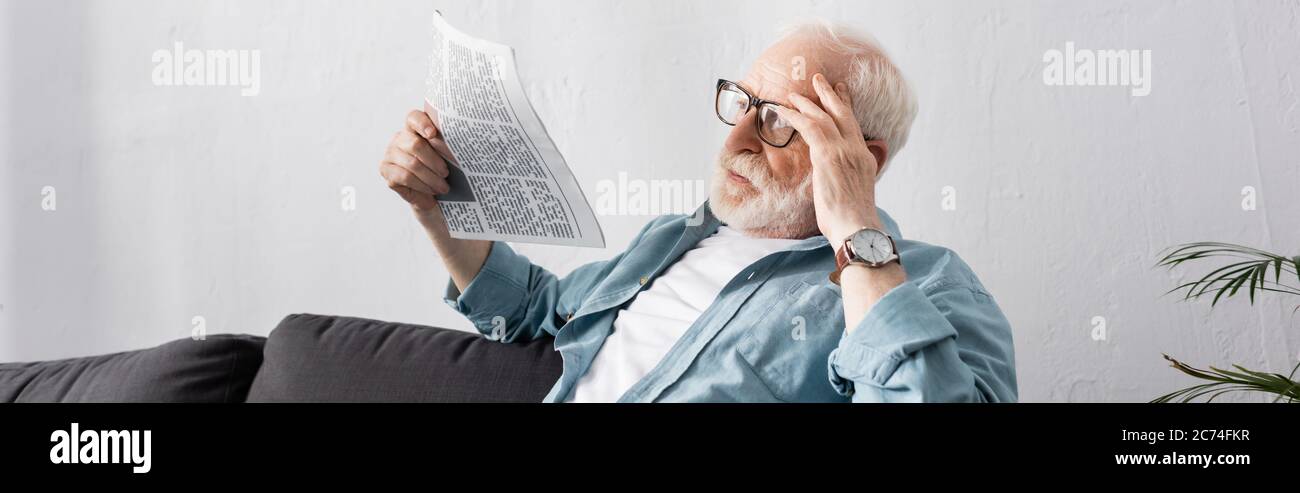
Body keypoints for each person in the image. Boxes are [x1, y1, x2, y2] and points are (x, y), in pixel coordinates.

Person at [378, 19, 1017, 402]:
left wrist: (855, 229)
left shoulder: (932, 286)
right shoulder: (677, 238)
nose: (736, 136)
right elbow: (536, 314)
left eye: (776, 121)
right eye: (742, 103)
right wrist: (437, 207)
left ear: (860, 158)